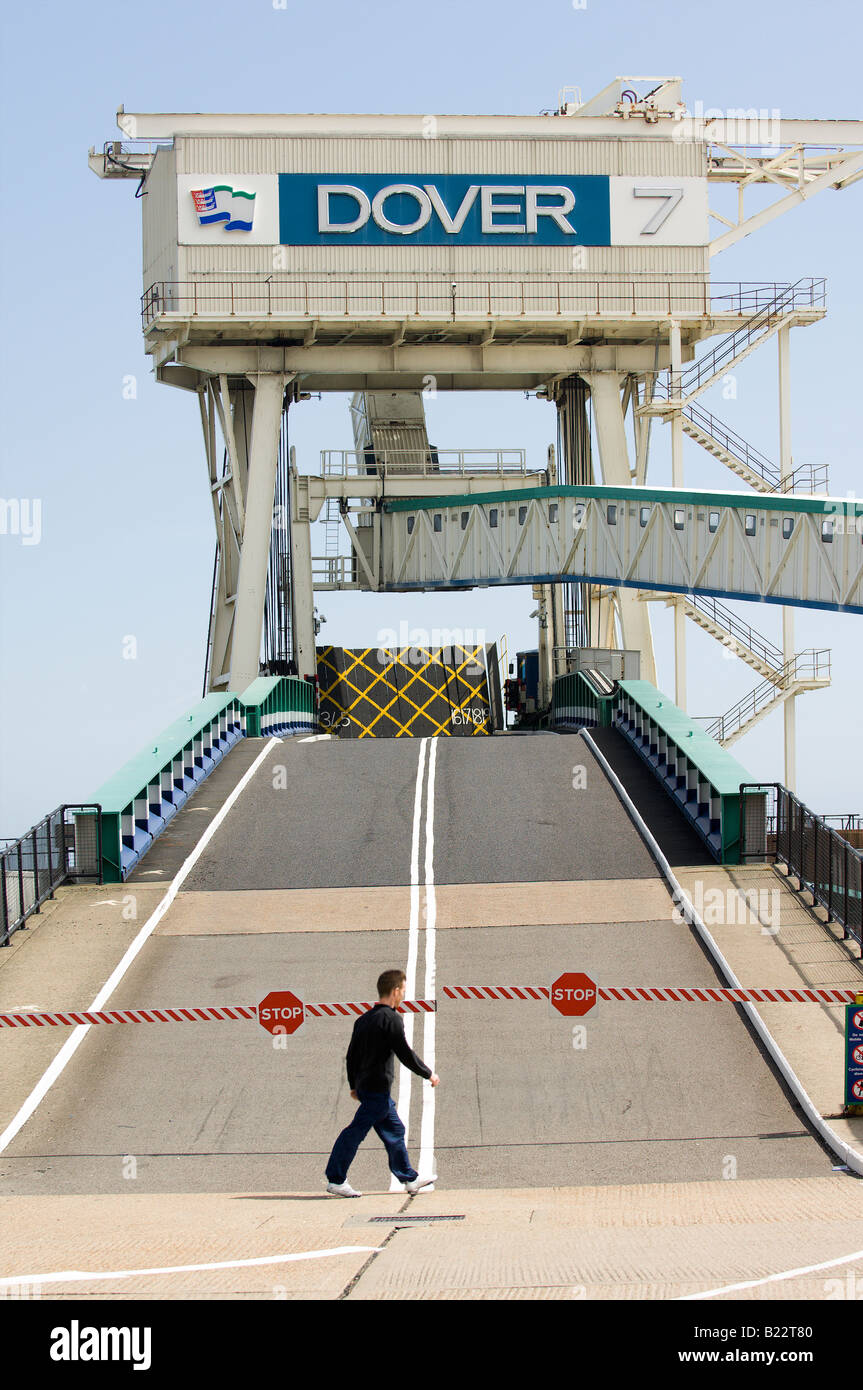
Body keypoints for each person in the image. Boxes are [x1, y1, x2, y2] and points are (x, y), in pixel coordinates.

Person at [325, 968, 440, 1197]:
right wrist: (428, 1074)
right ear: (395, 991)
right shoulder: (391, 1020)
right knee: (355, 1132)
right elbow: (405, 1054)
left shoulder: (363, 1020)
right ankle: (336, 1179)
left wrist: (353, 1085)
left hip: (368, 1087)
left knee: (395, 1130)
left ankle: (409, 1178)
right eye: (403, 991)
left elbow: (351, 1056)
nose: (404, 996)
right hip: (377, 1088)